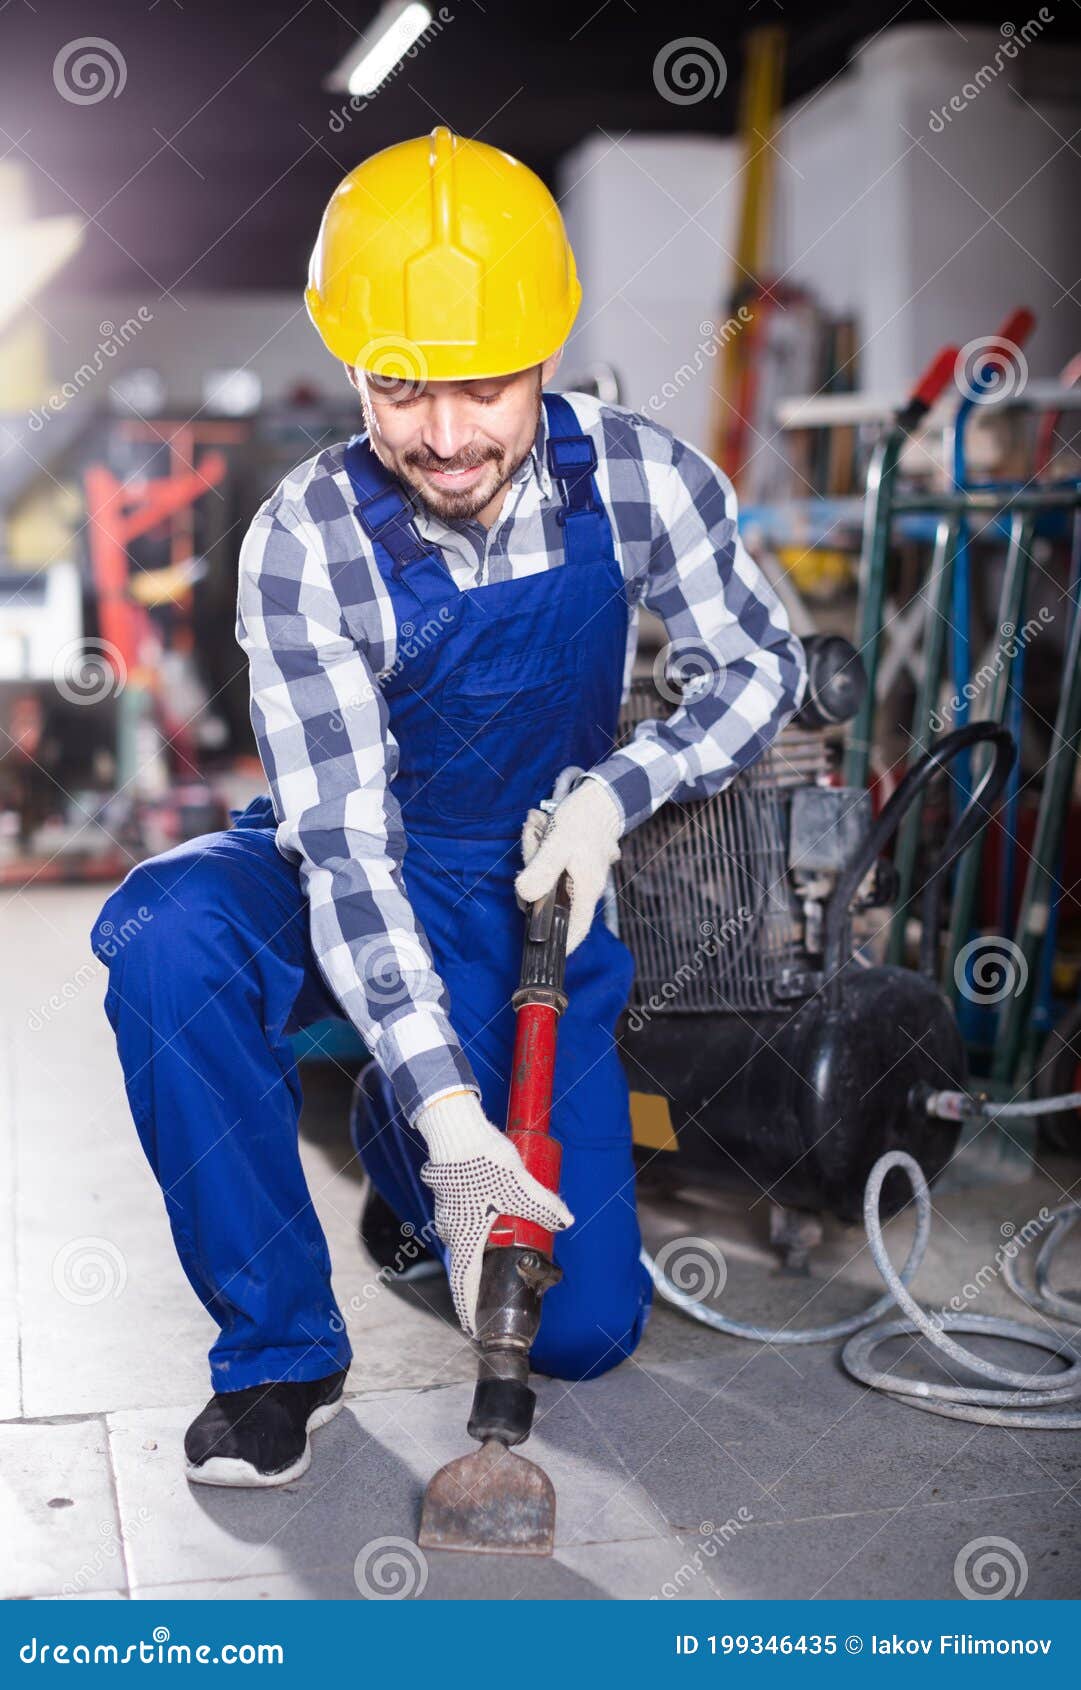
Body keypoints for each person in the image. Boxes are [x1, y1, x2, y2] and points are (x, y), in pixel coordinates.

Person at [92, 126, 807, 1488]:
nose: (444, 435)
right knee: (167, 933)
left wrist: (615, 793)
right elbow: (346, 851)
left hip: (526, 884)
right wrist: (456, 1117)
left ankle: (394, 1148)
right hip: (349, 856)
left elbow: (760, 668)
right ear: (355, 366)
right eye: (400, 388)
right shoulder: (307, 537)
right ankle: (280, 1351)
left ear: (546, 348)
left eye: (483, 386)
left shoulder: (639, 477)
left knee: (581, 1334)